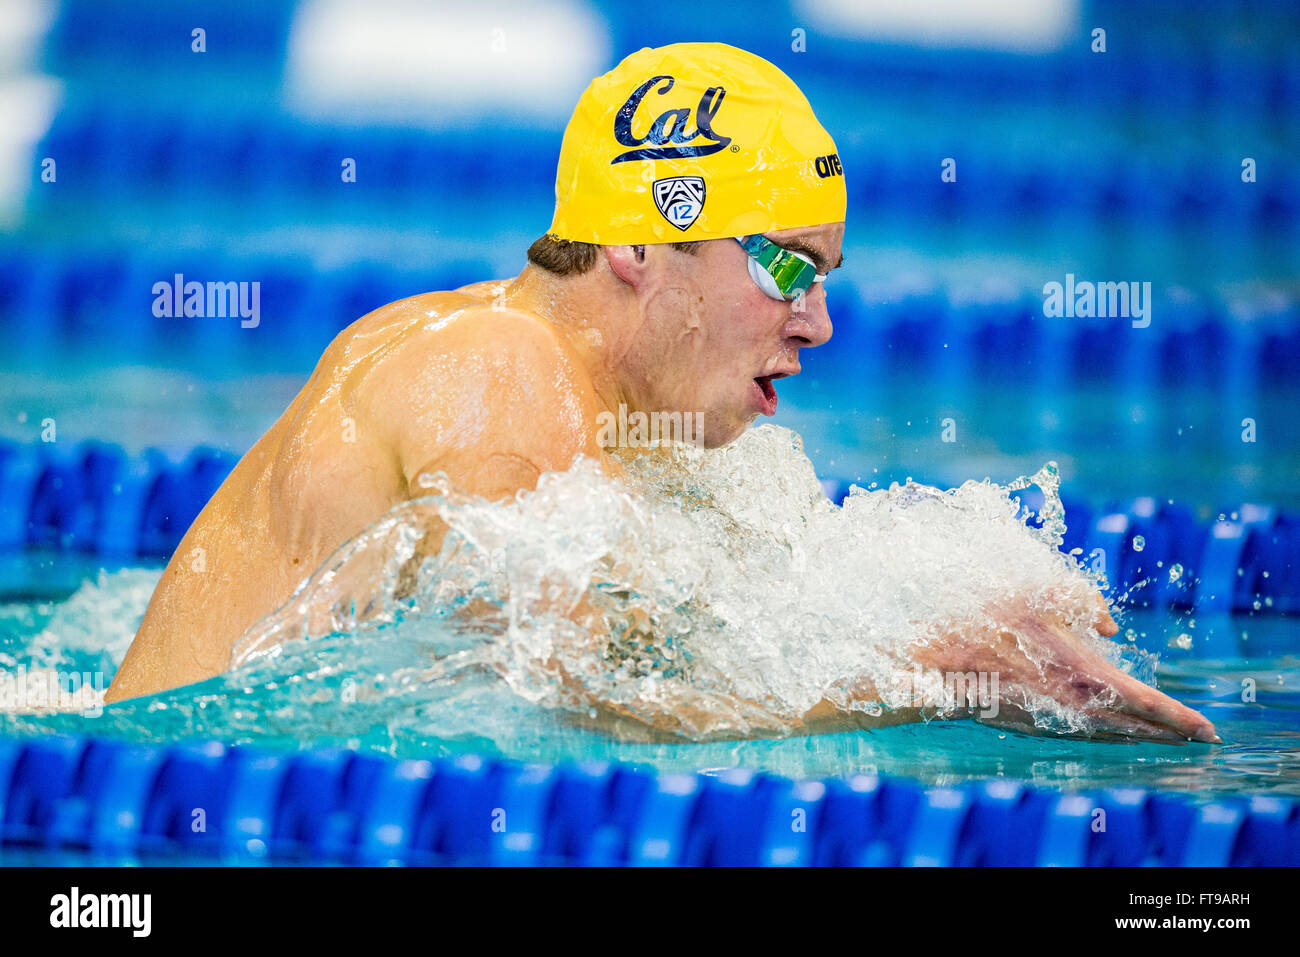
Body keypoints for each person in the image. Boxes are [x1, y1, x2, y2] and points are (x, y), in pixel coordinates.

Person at [103, 43, 1219, 746]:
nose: (817, 321)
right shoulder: (494, 371)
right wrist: (948, 683)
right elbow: (563, 706)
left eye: (824, 278)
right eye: (785, 264)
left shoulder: (608, 403)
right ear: (645, 239)